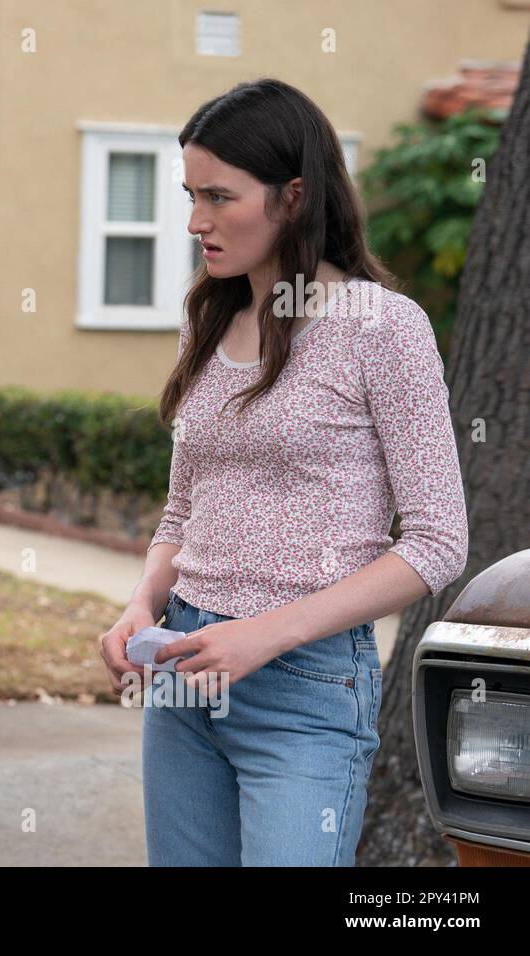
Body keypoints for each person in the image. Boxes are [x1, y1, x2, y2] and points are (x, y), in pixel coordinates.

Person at [99, 78, 468, 866]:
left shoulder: (382, 328)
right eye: (191, 195)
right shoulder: (208, 322)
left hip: (304, 686)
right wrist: (142, 603)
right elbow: (182, 513)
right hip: (181, 673)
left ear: (293, 196)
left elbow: (438, 542)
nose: (197, 221)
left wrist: (264, 637)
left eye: (220, 197)